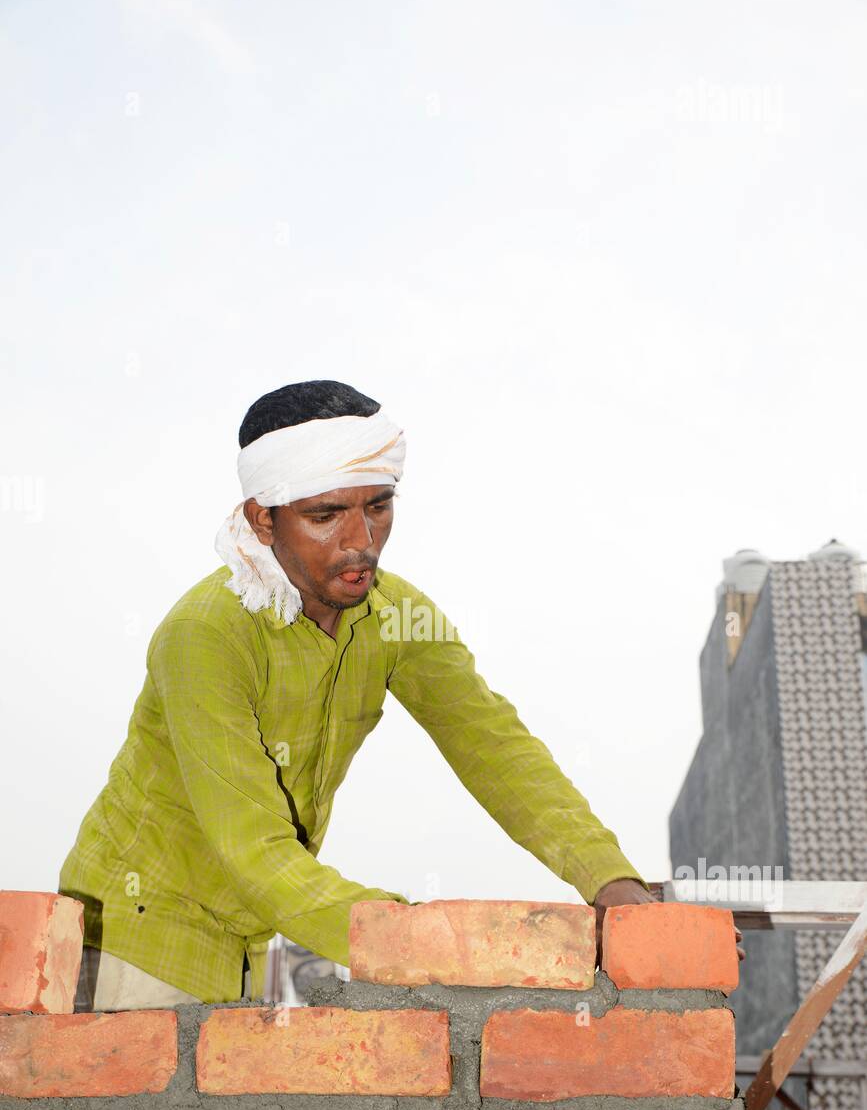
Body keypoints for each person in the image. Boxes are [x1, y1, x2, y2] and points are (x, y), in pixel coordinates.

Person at [61, 379, 676, 1011]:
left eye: (378, 506)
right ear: (263, 518)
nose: (361, 541)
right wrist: (410, 940)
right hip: (131, 935)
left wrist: (611, 881)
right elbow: (252, 848)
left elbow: (495, 748)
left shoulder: (398, 614)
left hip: (254, 938)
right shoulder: (205, 634)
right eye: (326, 515)